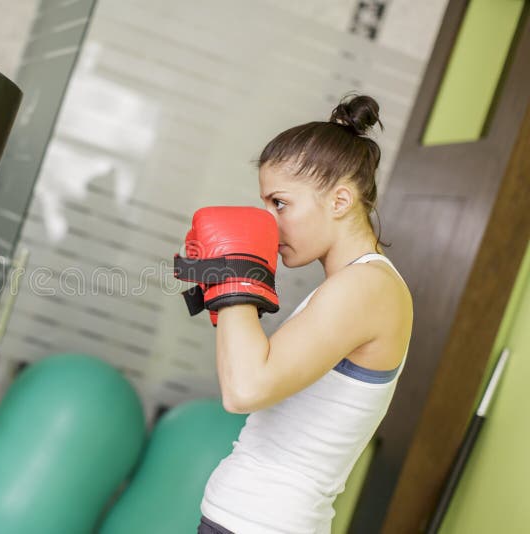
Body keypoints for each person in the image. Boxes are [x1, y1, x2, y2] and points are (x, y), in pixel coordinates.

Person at [180, 94, 414, 533]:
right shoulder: (348, 286)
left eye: (280, 203)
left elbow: (244, 389)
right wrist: (228, 282)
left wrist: (234, 278)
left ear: (340, 200)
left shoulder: (368, 288)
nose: (268, 222)